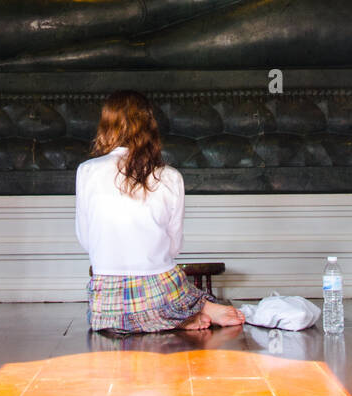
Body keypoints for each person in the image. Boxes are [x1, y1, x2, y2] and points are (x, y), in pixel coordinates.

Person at [76, 90, 245, 335]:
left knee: (115, 320)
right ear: (150, 127)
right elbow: (173, 247)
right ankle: (184, 312)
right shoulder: (170, 177)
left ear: (106, 126)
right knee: (171, 282)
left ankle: (177, 315)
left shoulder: (86, 171)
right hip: (159, 287)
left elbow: (86, 239)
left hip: (107, 302)